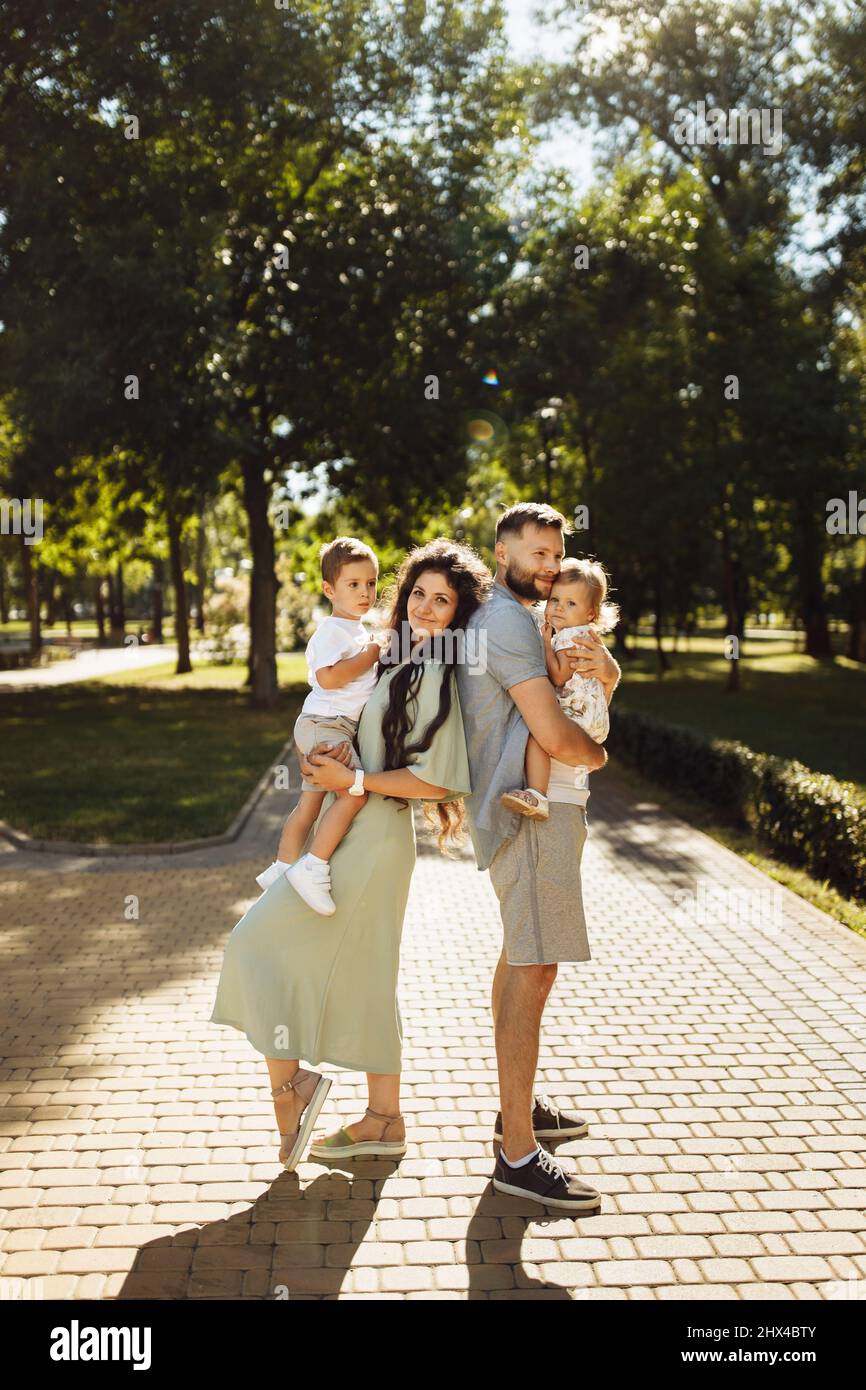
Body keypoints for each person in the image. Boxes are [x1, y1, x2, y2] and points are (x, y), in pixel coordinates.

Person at [209, 538, 491, 1171]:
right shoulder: (390, 655)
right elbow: (345, 714)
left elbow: (438, 780)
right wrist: (331, 761)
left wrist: (354, 782)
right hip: (354, 826)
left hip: (377, 837)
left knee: (253, 942)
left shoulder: (441, 673)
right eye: (417, 591)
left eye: (442, 600)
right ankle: (382, 1119)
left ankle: (298, 1093)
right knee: (366, 971)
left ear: (457, 614)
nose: (424, 606)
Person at [456, 502, 621, 1211]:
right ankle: (517, 1154)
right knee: (533, 963)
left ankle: (515, 1114)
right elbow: (557, 736)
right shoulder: (505, 622)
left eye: (558, 555)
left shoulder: (521, 620)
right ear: (502, 551)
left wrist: (607, 678)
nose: (551, 566)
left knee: (525, 958)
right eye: (537, 553)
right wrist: (602, 753)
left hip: (548, 808)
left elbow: (577, 694)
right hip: (530, 811)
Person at [255, 536, 382, 915]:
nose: (365, 592)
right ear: (330, 589)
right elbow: (328, 678)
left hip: (325, 724)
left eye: (371, 583)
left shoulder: (356, 631)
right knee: (354, 793)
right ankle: (315, 865)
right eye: (354, 584)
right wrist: (372, 653)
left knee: (310, 801)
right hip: (325, 723)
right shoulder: (333, 632)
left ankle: (280, 869)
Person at [501, 556, 620, 820]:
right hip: (592, 716)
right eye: (554, 599)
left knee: (539, 735)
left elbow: (558, 675)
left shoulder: (569, 637)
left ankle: (537, 795)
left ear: (590, 613)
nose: (558, 608)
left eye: (570, 603)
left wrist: (544, 643)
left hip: (580, 715)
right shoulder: (584, 635)